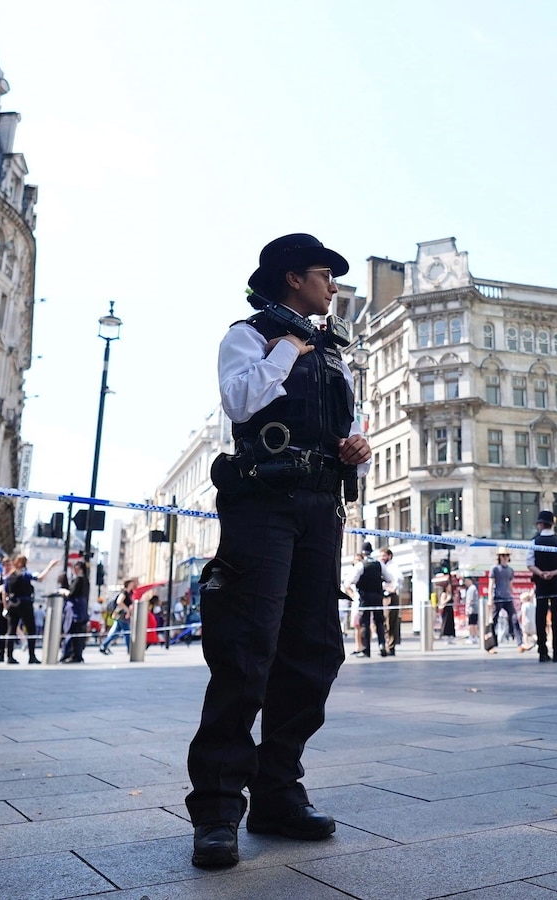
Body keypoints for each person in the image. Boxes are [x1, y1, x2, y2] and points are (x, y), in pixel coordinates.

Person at [186, 233, 371, 870]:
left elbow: (341, 425)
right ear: (294, 278)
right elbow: (240, 401)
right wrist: (287, 349)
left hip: (322, 509)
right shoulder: (252, 335)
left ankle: (278, 792)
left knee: (314, 649)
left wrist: (356, 446)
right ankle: (215, 811)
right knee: (245, 651)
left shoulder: (334, 353)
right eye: (326, 276)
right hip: (263, 506)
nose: (334, 289)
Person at [527, 509, 557, 662]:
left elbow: (529, 564)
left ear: (540, 524)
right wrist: (554, 573)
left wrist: (542, 573)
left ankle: (542, 652)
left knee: (540, 617)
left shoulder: (533, 542)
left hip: (541, 583)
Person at [3, 556, 57, 665]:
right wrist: (50, 566)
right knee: (31, 630)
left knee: (11, 631)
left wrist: (5, 607)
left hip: (13, 604)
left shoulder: (10, 576)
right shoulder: (25, 574)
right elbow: (40, 578)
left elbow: (5, 592)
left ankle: (9, 656)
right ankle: (31, 656)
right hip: (25, 604)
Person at [347, 543, 387, 658]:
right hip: (378, 596)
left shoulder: (360, 565)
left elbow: (349, 581)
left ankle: (366, 650)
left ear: (363, 553)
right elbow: (389, 578)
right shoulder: (379, 564)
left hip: (365, 597)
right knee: (379, 621)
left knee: (365, 623)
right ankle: (381, 645)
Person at [489, 551, 521, 648]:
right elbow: (491, 583)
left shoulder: (510, 570)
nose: (505, 557)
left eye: (507, 555)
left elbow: (510, 584)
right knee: (494, 620)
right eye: (503, 555)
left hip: (508, 597)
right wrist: (490, 598)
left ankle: (520, 642)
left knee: (514, 618)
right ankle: (492, 643)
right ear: (499, 556)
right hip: (498, 597)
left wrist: (513, 594)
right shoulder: (494, 568)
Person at [61, 561, 91, 663]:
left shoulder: (79, 579)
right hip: (81, 609)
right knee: (78, 633)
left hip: (75, 609)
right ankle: (76, 654)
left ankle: (72, 654)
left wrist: (64, 592)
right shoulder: (86, 581)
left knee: (73, 632)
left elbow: (71, 593)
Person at [379, 547, 402, 655]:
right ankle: (387, 645)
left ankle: (391, 647)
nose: (382, 558)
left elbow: (398, 579)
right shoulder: (381, 566)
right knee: (384, 622)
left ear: (389, 556)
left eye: (384, 555)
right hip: (383, 596)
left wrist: (392, 587)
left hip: (391, 596)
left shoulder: (393, 567)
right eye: (381, 555)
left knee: (391, 622)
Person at [100, 586, 133, 655]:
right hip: (122, 615)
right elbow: (119, 602)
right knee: (127, 632)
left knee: (116, 632)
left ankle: (104, 645)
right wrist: (128, 611)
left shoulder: (127, 593)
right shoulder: (124, 592)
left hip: (120, 615)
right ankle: (129, 649)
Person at [462, 575, 482, 646]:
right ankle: (474, 636)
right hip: (474, 608)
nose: (466, 583)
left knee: (472, 623)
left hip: (472, 608)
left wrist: (467, 608)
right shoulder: (473, 588)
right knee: (473, 623)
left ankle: (473, 636)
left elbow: (470, 599)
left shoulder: (471, 588)